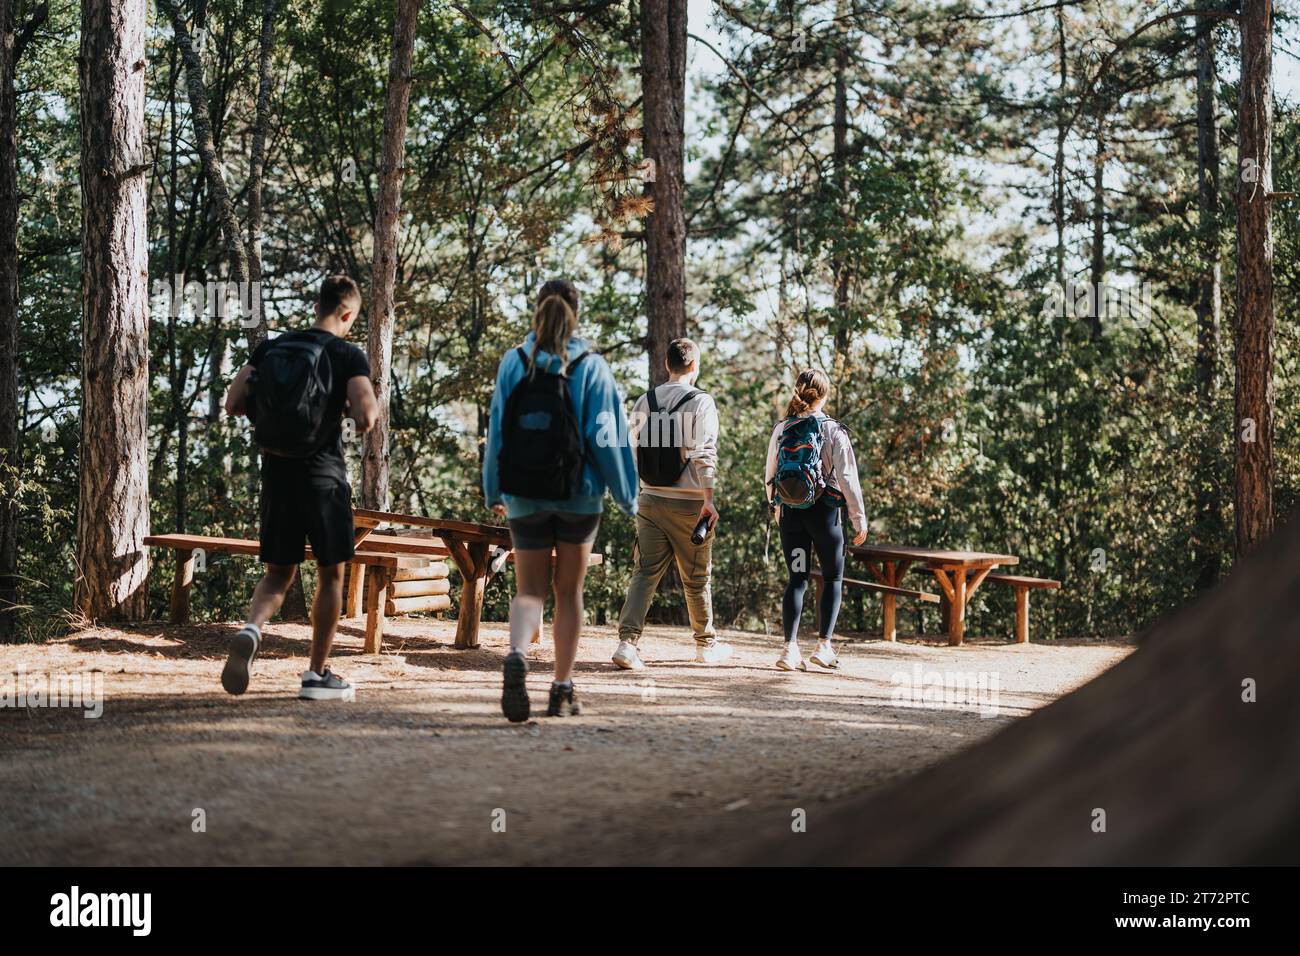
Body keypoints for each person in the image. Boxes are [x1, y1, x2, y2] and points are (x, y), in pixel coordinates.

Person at [483, 279, 637, 722]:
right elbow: (607, 437)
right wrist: (627, 496)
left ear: (537, 309)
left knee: (528, 590)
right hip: (579, 495)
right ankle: (561, 689)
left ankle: (517, 654)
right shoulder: (591, 365)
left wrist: (495, 489)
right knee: (568, 592)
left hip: (524, 495)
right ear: (576, 313)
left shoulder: (514, 362)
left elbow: (497, 428)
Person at [221, 275, 378, 701]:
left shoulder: (272, 348)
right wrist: (347, 408)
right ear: (347, 314)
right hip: (322, 476)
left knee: (277, 574)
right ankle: (316, 675)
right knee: (332, 575)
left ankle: (252, 628)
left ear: (317, 307)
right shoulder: (345, 354)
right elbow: (366, 416)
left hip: (277, 474)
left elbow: (233, 402)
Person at [612, 338, 732, 669]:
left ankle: (627, 643)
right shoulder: (701, 402)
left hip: (650, 499)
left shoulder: (644, 401)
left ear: (667, 365)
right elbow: (704, 453)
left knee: (645, 572)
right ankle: (705, 645)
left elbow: (632, 452)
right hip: (689, 504)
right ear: (694, 365)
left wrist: (640, 494)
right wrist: (708, 499)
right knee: (696, 577)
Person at [764, 368, 868, 671]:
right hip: (826, 517)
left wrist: (778, 509)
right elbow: (848, 478)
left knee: (797, 578)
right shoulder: (834, 430)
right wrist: (858, 518)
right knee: (833, 578)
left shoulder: (782, 427)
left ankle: (789, 649)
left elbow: (770, 474)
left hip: (792, 517)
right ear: (824, 394)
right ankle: (824, 646)